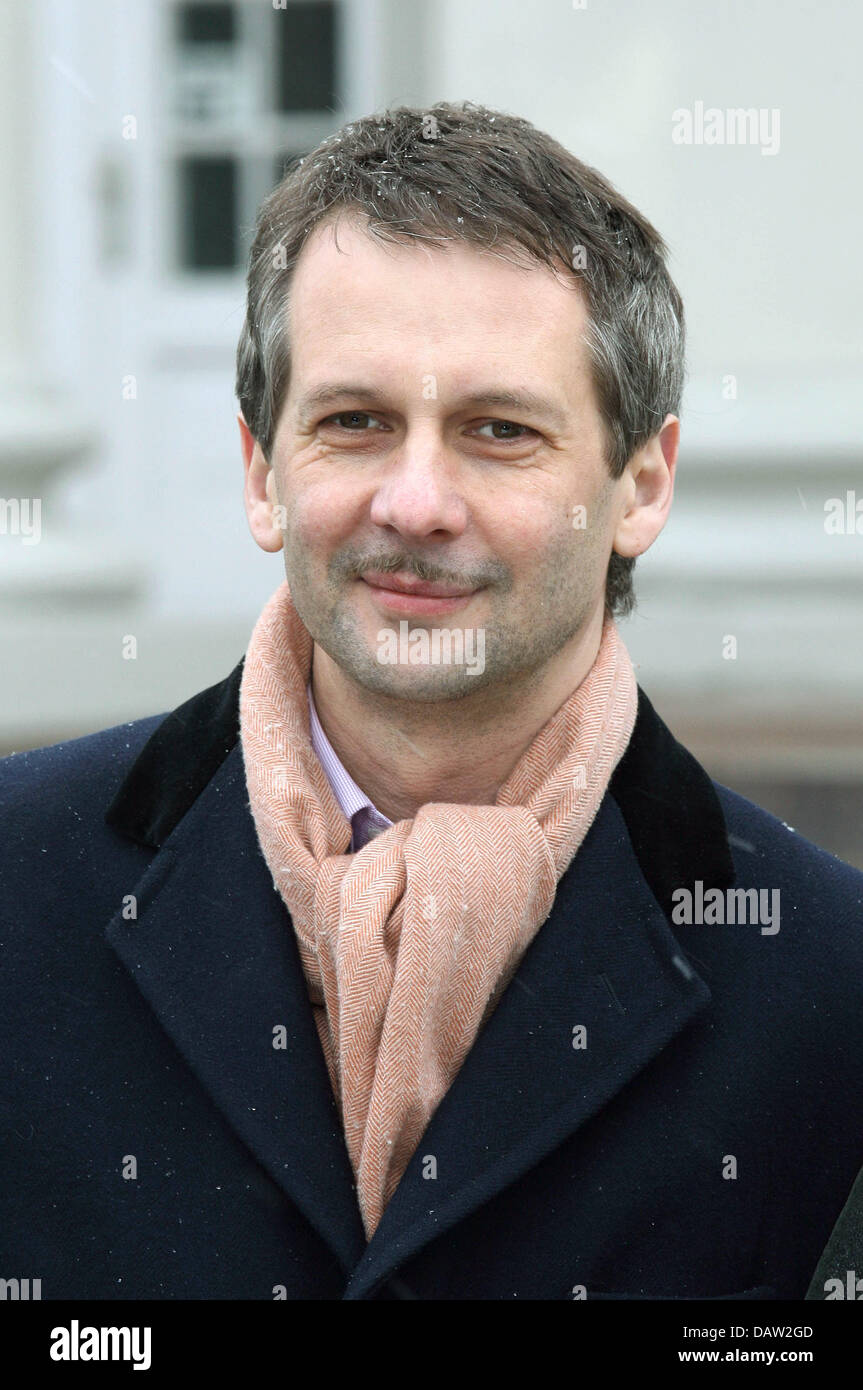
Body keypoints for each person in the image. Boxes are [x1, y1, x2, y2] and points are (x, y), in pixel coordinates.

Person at [1, 101, 861, 1301]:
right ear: (261, 470)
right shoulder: (14, 881)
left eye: (495, 431)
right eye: (355, 423)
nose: (414, 503)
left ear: (639, 484)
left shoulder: (828, 985)